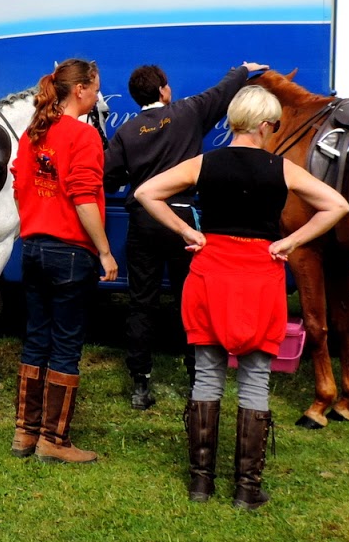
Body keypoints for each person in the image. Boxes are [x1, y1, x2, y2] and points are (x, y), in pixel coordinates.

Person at [136, 84, 348, 510]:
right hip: (259, 276)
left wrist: (188, 231)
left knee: (207, 375)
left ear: (234, 120)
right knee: (254, 378)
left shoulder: (203, 163)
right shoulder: (282, 169)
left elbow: (145, 193)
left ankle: (200, 483)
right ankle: (247, 489)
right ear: (267, 125)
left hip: (210, 271)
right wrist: (291, 242)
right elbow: (336, 205)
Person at [104, 61, 266, 409]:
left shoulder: (126, 133)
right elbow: (221, 94)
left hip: (143, 220)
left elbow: (109, 177)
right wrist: (242, 70)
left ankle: (140, 384)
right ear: (164, 90)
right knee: (190, 301)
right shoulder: (188, 112)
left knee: (141, 303)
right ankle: (197, 378)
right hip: (184, 222)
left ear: (136, 97)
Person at [9, 57, 118, 464]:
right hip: (71, 251)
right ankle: (54, 440)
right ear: (80, 90)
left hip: (34, 247)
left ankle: (26, 434)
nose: (97, 94)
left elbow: (20, 184)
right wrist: (105, 251)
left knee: (36, 338)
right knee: (66, 343)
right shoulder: (83, 135)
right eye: (96, 87)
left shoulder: (34, 131)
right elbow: (84, 196)